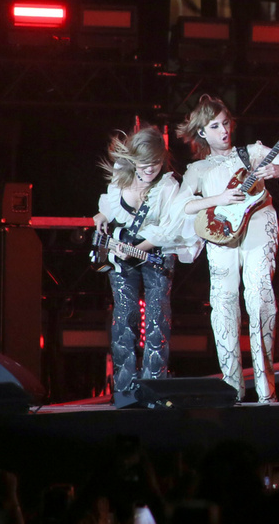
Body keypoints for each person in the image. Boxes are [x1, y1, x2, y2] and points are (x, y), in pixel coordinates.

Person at [177, 95, 279, 403]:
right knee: (224, 304)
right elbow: (183, 205)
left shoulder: (252, 153)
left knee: (260, 298)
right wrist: (219, 200)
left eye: (226, 123)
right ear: (202, 132)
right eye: (215, 126)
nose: (224, 131)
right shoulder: (198, 169)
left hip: (258, 223)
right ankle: (231, 392)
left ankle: (267, 392)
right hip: (221, 231)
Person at [93, 124, 200, 405]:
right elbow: (110, 203)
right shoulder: (121, 173)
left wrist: (136, 250)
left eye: (155, 162)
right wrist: (101, 215)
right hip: (123, 254)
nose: (149, 168)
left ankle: (154, 388)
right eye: (143, 163)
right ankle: (125, 391)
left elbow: (167, 229)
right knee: (124, 317)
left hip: (156, 254)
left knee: (156, 319)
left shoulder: (168, 186)